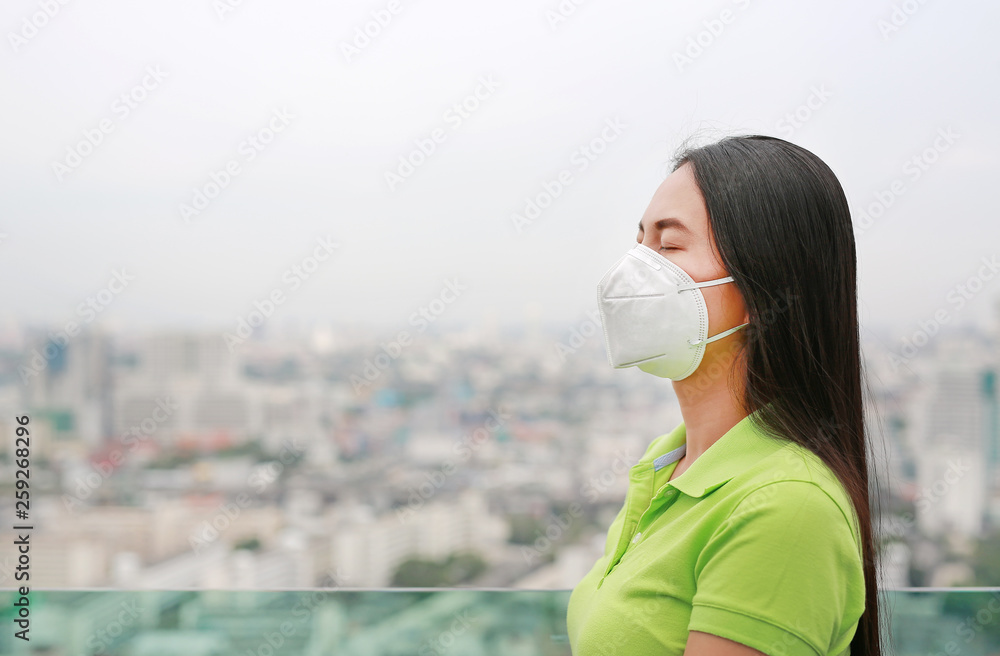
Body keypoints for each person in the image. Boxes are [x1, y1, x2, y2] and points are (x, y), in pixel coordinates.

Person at [566, 134, 885, 655]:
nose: (633, 275)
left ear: (765, 289)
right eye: (640, 243)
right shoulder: (668, 465)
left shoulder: (785, 506)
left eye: (669, 246)